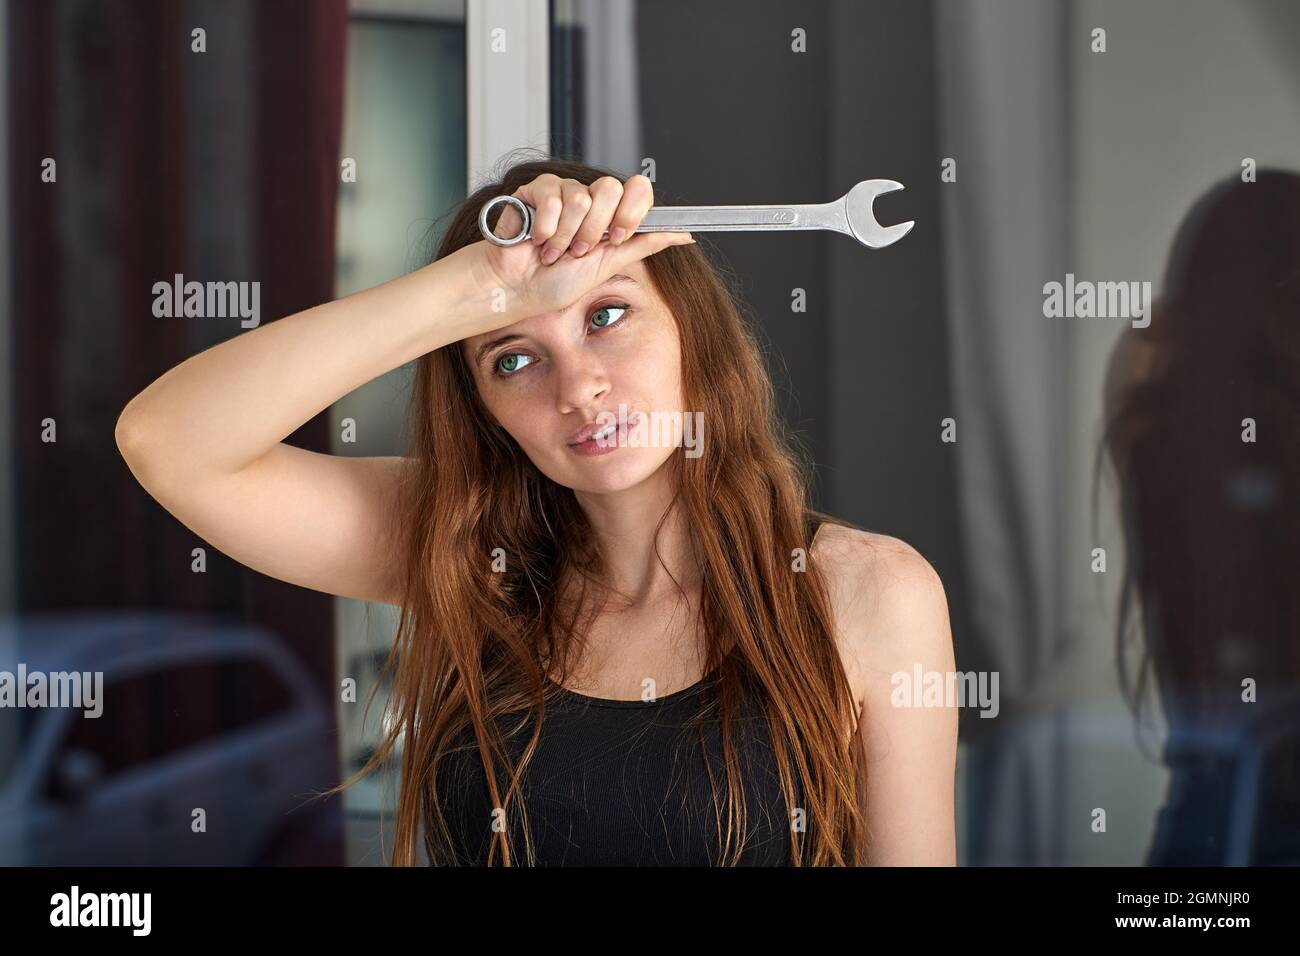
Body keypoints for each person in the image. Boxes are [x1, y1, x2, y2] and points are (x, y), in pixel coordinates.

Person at [115, 154, 957, 866]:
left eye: (608, 315)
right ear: (484, 407)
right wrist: (481, 285)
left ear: (691, 330)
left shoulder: (869, 594)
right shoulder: (467, 553)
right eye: (513, 359)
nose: (579, 388)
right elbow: (169, 444)